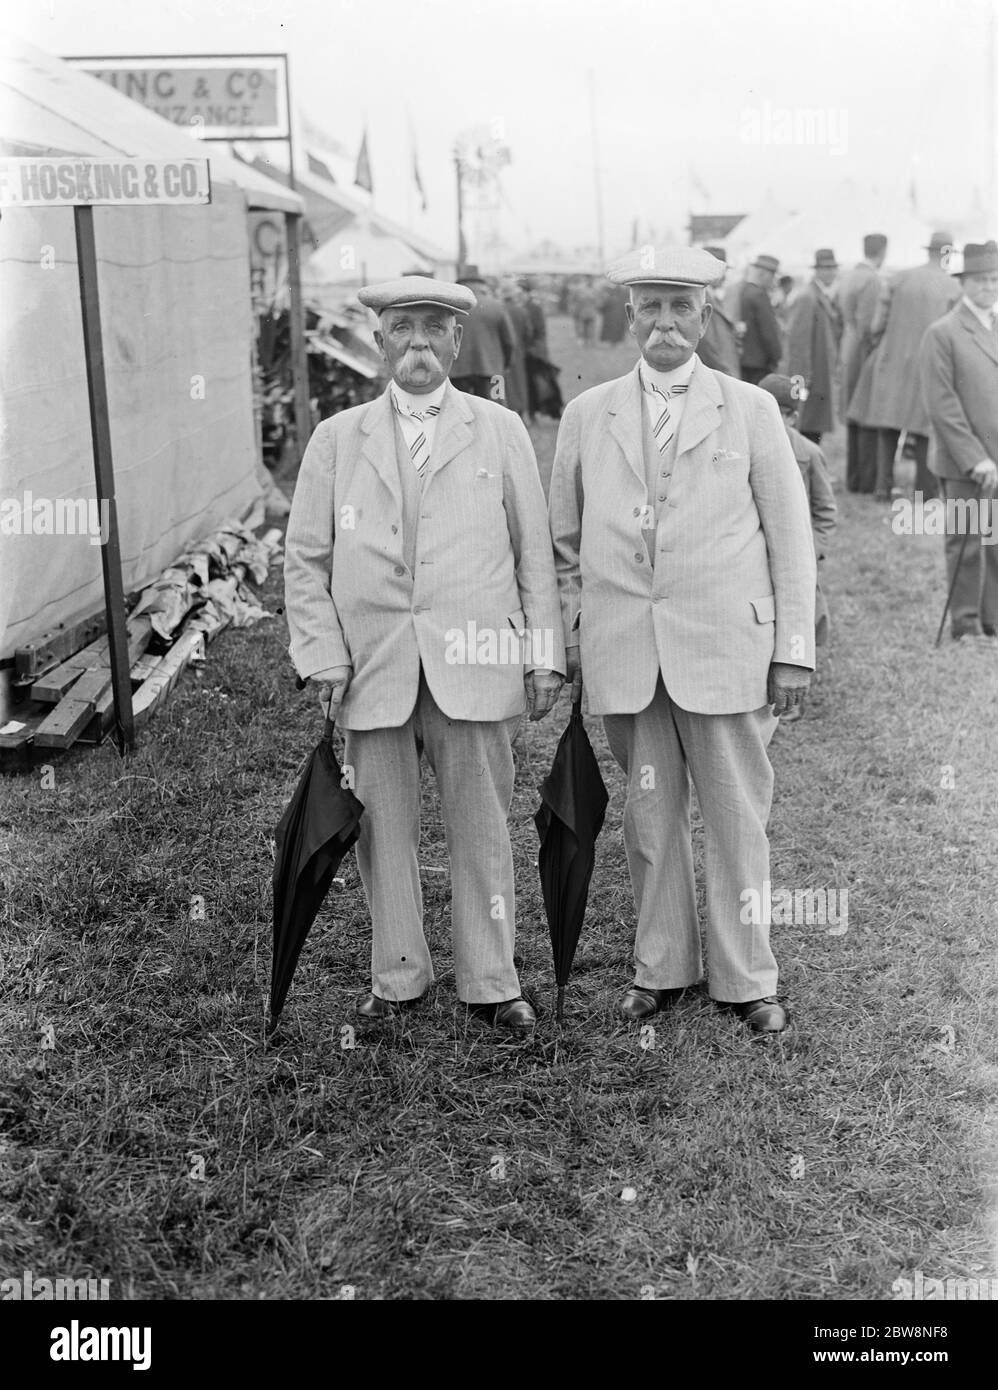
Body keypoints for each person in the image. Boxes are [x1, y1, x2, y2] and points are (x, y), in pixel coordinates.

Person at [283, 276, 565, 1032]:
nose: (418, 343)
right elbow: (304, 560)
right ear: (379, 342)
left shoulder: (499, 429)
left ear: (457, 341)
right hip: (372, 667)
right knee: (382, 830)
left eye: (434, 329)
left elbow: (533, 553)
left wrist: (543, 654)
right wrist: (323, 654)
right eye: (403, 328)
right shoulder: (338, 438)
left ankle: (492, 980)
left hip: (476, 662)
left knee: (483, 826)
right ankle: (398, 975)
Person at [548, 245, 816, 1035]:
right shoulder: (587, 414)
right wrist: (570, 638)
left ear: (706, 317)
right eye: (652, 308)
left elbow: (791, 538)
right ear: (630, 316)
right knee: (649, 813)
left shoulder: (750, 410)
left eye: (683, 308)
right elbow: (563, 544)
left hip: (726, 647)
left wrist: (792, 649)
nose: (666, 323)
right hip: (628, 651)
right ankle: (661, 966)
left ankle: (746, 978)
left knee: (736, 815)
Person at [920, 240, 998, 645]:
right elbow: (942, 405)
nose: (989, 286)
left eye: (994, 279)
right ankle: (965, 625)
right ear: (963, 282)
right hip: (965, 460)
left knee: (994, 541)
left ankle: (991, 620)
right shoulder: (943, 332)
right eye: (980, 279)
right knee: (967, 544)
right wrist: (975, 458)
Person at [865, 230, 960, 501]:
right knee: (925, 429)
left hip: (893, 361)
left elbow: (876, 325)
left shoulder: (898, 278)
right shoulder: (953, 288)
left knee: (888, 426)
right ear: (947, 254)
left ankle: (882, 488)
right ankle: (925, 492)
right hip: (930, 365)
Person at [759, 374, 837, 694]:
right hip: (758, 552)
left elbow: (825, 511)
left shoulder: (809, 453)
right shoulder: (747, 445)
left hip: (797, 556)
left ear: (792, 417)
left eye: (781, 413)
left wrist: (812, 551)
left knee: (802, 617)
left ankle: (796, 687)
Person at [840, 234, 888, 491]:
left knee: (853, 415)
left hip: (848, 347)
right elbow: (870, 325)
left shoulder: (849, 276)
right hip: (863, 351)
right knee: (866, 412)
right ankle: (866, 481)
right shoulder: (872, 280)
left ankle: (854, 478)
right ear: (883, 251)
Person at [783, 249, 843, 445]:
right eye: (826, 268)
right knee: (806, 429)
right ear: (817, 270)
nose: (831, 272)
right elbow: (798, 343)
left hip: (819, 374)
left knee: (814, 428)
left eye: (833, 268)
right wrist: (801, 380)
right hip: (810, 377)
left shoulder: (819, 295)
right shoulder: (807, 297)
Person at [449, 266, 515, 405]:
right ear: (481, 285)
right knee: (497, 411)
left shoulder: (451, 307)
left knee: (459, 410)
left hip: (457, 370)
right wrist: (505, 364)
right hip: (492, 370)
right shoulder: (497, 306)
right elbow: (509, 341)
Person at [521, 278, 564, 421]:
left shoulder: (534, 308)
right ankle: (531, 413)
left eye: (522, 292)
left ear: (527, 292)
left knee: (542, 383)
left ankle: (549, 412)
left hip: (535, 352)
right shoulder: (520, 306)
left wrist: (534, 349)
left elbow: (540, 331)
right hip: (524, 352)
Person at [696, 245, 741, 378]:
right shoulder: (703, 298)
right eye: (723, 271)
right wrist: (726, 373)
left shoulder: (710, 296)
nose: (725, 277)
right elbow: (706, 343)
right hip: (718, 374)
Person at [739, 254, 784, 384]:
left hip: (744, 360)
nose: (774, 280)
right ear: (763, 274)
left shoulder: (744, 291)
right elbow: (769, 332)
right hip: (759, 363)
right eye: (773, 275)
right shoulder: (759, 295)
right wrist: (777, 357)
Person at [498, 278, 530, 419]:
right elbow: (528, 333)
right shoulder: (521, 311)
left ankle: (506, 411)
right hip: (519, 352)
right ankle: (522, 411)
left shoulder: (499, 309)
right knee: (520, 382)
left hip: (502, 352)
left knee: (505, 384)